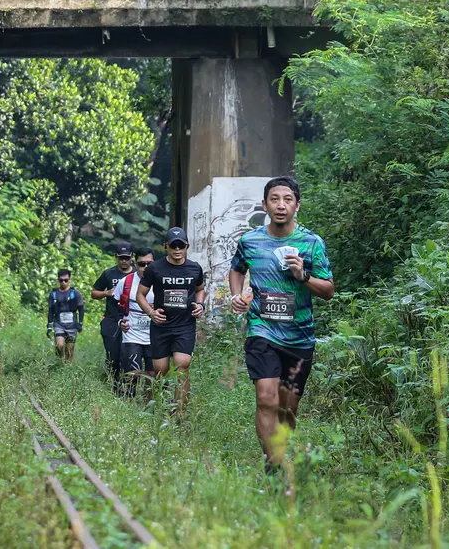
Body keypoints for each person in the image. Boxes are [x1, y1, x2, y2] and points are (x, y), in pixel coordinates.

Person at [228, 176, 334, 472]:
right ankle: (274, 466)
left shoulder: (311, 243)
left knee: (287, 408)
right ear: (265, 205)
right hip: (262, 329)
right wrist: (237, 296)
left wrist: (302, 276)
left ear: (297, 205)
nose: (281, 205)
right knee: (265, 398)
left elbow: (328, 291)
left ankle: (280, 451)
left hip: (299, 337)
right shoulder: (250, 241)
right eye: (274, 199)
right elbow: (236, 270)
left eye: (287, 199)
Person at [137, 227, 205, 415]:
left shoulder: (194, 268)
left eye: (180, 245)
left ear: (187, 246)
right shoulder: (154, 268)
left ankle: (180, 414)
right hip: (161, 325)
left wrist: (200, 305)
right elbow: (140, 295)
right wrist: (151, 313)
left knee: (182, 365)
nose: (177, 249)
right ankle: (160, 409)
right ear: (165, 246)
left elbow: (200, 289)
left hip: (184, 325)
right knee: (160, 371)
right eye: (173, 245)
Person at [112, 247, 155, 398]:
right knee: (134, 373)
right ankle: (127, 401)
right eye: (142, 264)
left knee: (152, 375)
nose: (146, 268)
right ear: (135, 264)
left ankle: (148, 404)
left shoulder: (160, 282)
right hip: (132, 334)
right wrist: (119, 321)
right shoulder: (126, 282)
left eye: (149, 264)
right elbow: (115, 305)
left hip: (154, 335)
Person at [92, 242, 134, 394]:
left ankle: (128, 388)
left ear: (131, 257)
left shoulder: (137, 273)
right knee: (113, 355)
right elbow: (94, 292)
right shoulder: (109, 274)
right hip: (111, 319)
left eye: (127, 258)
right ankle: (115, 384)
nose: (124, 261)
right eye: (121, 258)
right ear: (116, 257)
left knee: (128, 354)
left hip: (131, 318)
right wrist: (106, 293)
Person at [47, 268, 84, 361]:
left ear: (69, 280)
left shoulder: (75, 293)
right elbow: (50, 310)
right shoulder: (54, 294)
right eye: (61, 280)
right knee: (59, 345)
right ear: (58, 280)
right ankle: (60, 359)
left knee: (70, 351)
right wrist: (49, 326)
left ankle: (68, 367)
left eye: (66, 280)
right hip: (59, 323)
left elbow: (81, 309)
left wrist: (80, 324)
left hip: (71, 325)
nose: (63, 282)